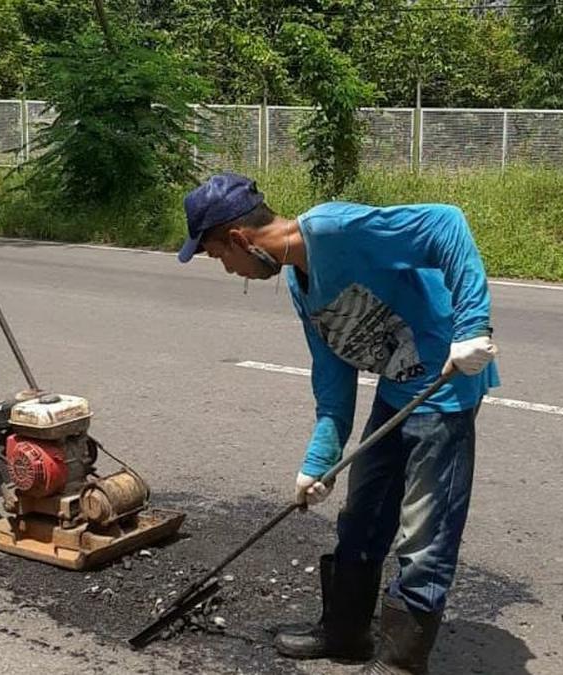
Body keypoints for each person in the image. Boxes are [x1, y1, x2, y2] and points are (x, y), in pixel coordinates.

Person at [177, 173, 500, 674]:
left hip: (444, 389)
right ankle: (346, 632)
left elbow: (447, 223)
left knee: (425, 533)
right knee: (362, 515)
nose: (227, 268)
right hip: (397, 391)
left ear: (239, 238)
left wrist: (473, 326)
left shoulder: (334, 229)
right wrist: (319, 461)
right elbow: (333, 373)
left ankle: (400, 664)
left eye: (219, 255)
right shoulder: (299, 281)